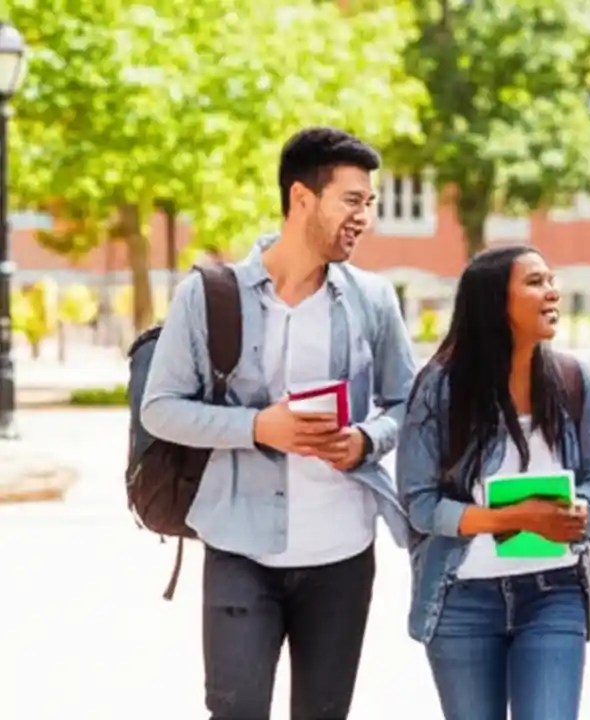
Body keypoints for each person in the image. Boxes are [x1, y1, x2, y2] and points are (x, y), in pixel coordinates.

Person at [140, 126, 417, 718]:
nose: (364, 216)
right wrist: (258, 428)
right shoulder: (210, 295)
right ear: (301, 198)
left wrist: (367, 440)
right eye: (352, 200)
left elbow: (407, 403)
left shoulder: (372, 299)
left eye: (369, 203)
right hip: (241, 547)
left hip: (342, 553)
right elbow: (160, 408)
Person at [396, 245, 590, 720]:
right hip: (462, 598)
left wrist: (581, 513)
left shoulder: (573, 379)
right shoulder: (440, 387)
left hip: (554, 594)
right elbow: (418, 503)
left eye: (552, 279)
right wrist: (514, 519)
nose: (552, 290)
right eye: (535, 281)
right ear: (496, 301)